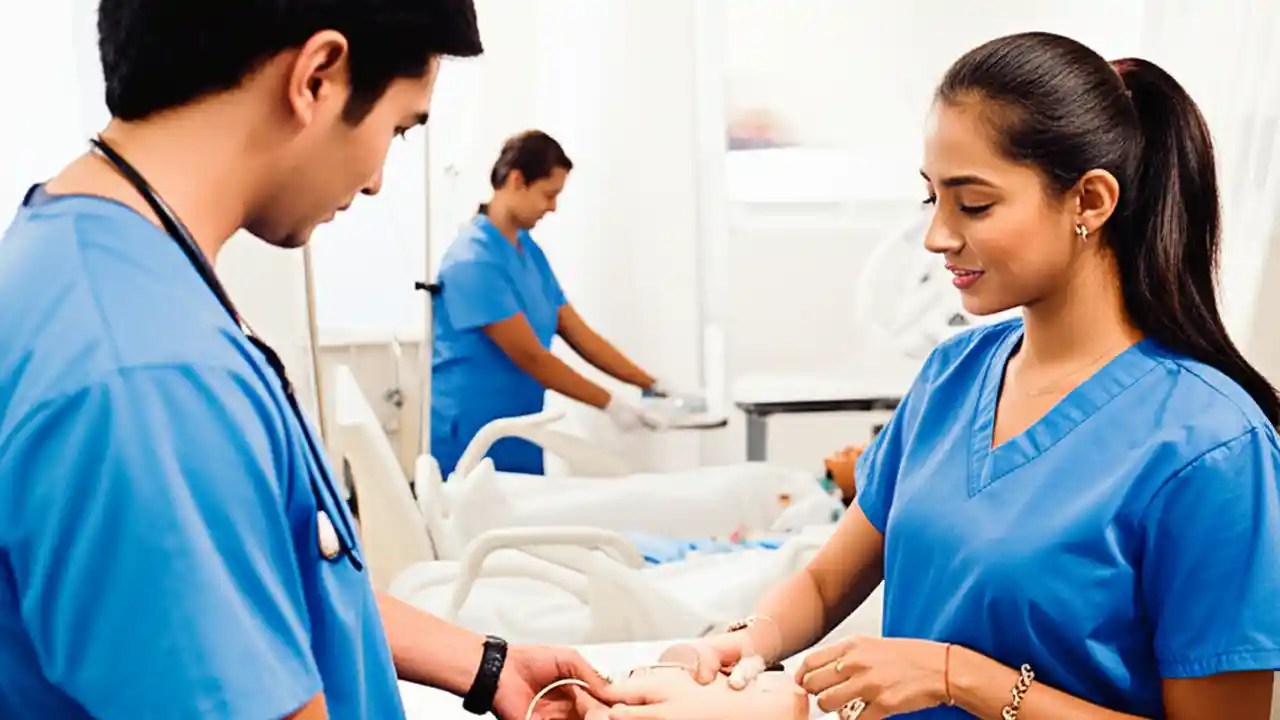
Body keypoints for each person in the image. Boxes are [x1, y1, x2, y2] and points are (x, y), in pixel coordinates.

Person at [609, 32, 1280, 719]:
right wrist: (746, 643)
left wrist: (964, 679)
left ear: (1090, 202)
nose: (936, 235)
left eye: (974, 204)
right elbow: (822, 583)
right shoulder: (952, 377)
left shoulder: (1212, 446)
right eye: (930, 197)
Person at [0, 3, 627, 719]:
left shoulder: (87, 265)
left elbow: (255, 581)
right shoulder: (150, 375)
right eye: (396, 128)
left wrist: (487, 665)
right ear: (318, 77)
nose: (376, 183)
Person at [431, 130, 668, 477]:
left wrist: (649, 383)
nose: (553, 207)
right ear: (516, 180)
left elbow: (575, 330)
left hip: (518, 428)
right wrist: (611, 404)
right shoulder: (472, 260)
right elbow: (532, 357)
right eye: (549, 194)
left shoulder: (526, 250)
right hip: (472, 432)